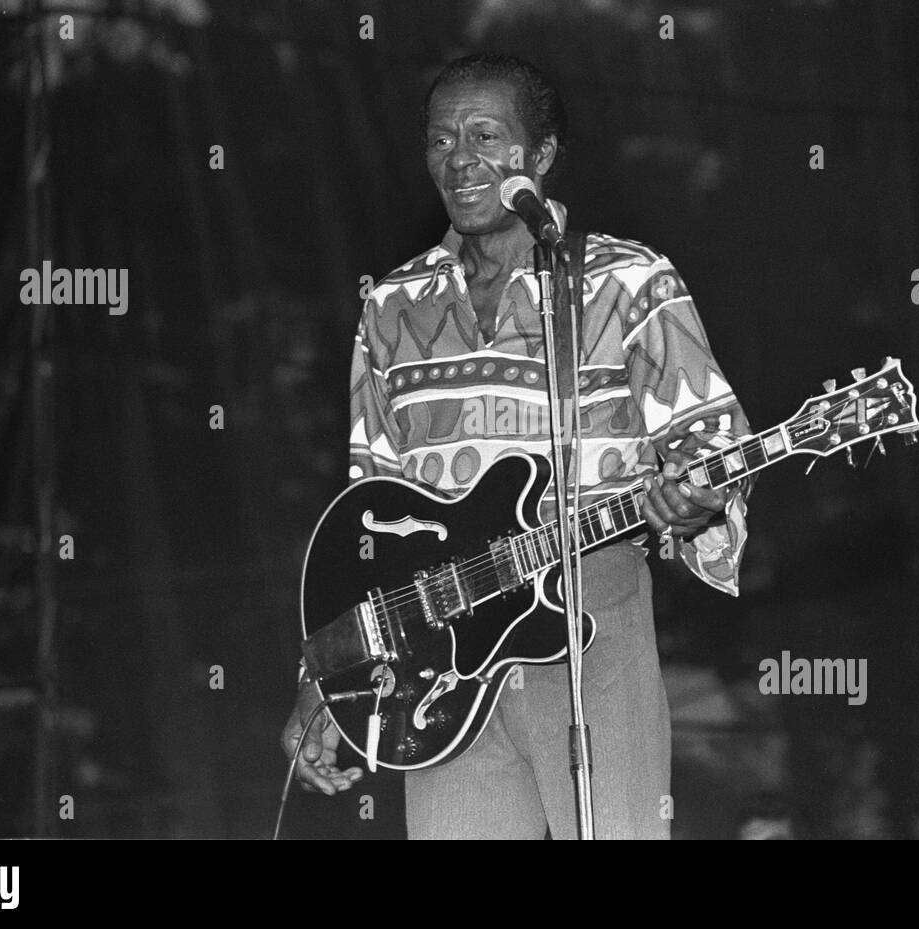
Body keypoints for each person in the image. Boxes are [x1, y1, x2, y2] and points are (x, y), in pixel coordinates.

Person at [281, 53, 753, 839]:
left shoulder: (627, 282)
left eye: (484, 135)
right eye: (440, 140)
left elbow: (709, 444)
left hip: (588, 622)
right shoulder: (392, 305)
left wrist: (692, 499)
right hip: (436, 661)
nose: (458, 158)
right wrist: (326, 678)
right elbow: (364, 519)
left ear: (538, 157)